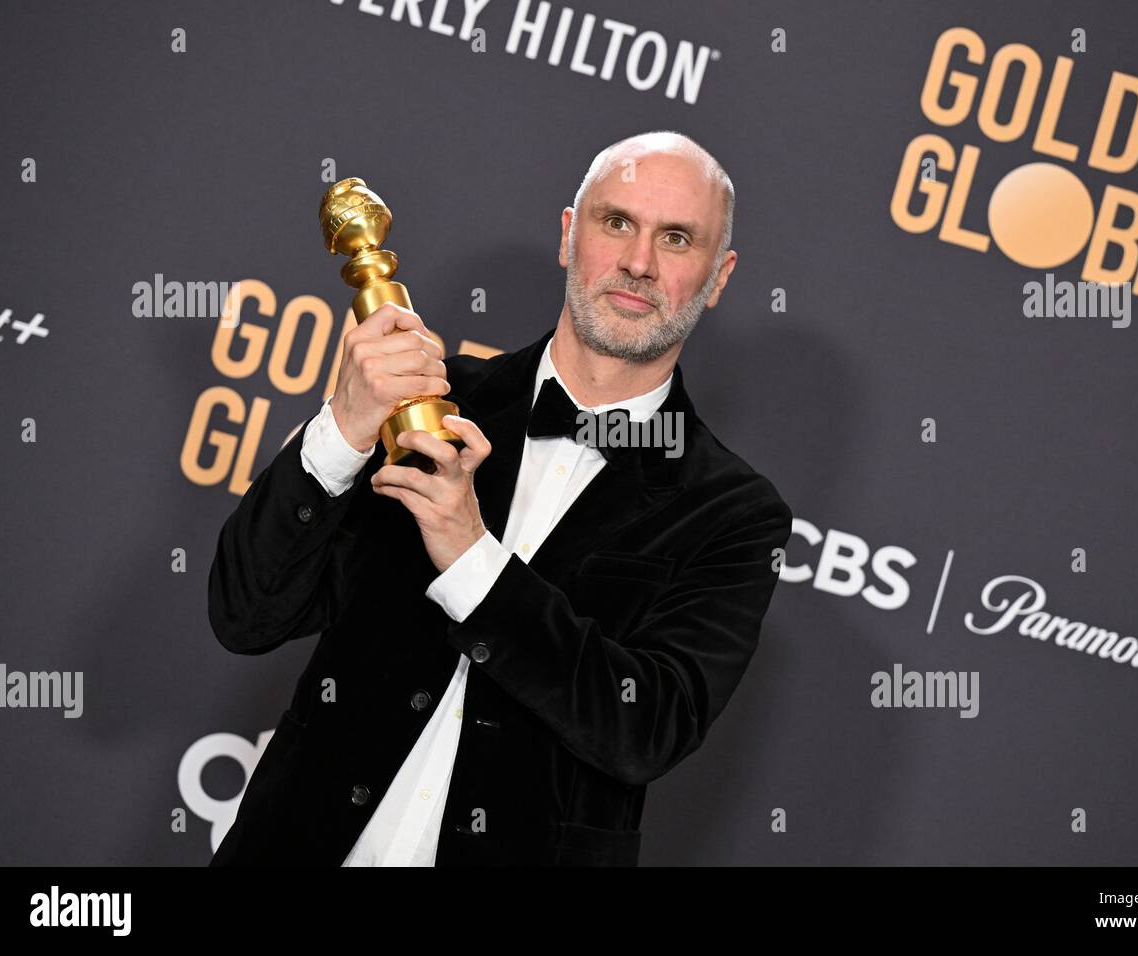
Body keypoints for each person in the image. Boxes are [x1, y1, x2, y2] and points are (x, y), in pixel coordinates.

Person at [207, 130, 793, 866]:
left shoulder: (735, 513)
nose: (638, 263)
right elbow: (245, 614)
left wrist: (471, 556)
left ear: (718, 276)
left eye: (676, 239)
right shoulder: (430, 405)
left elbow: (644, 732)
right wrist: (341, 428)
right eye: (616, 223)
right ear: (569, 235)